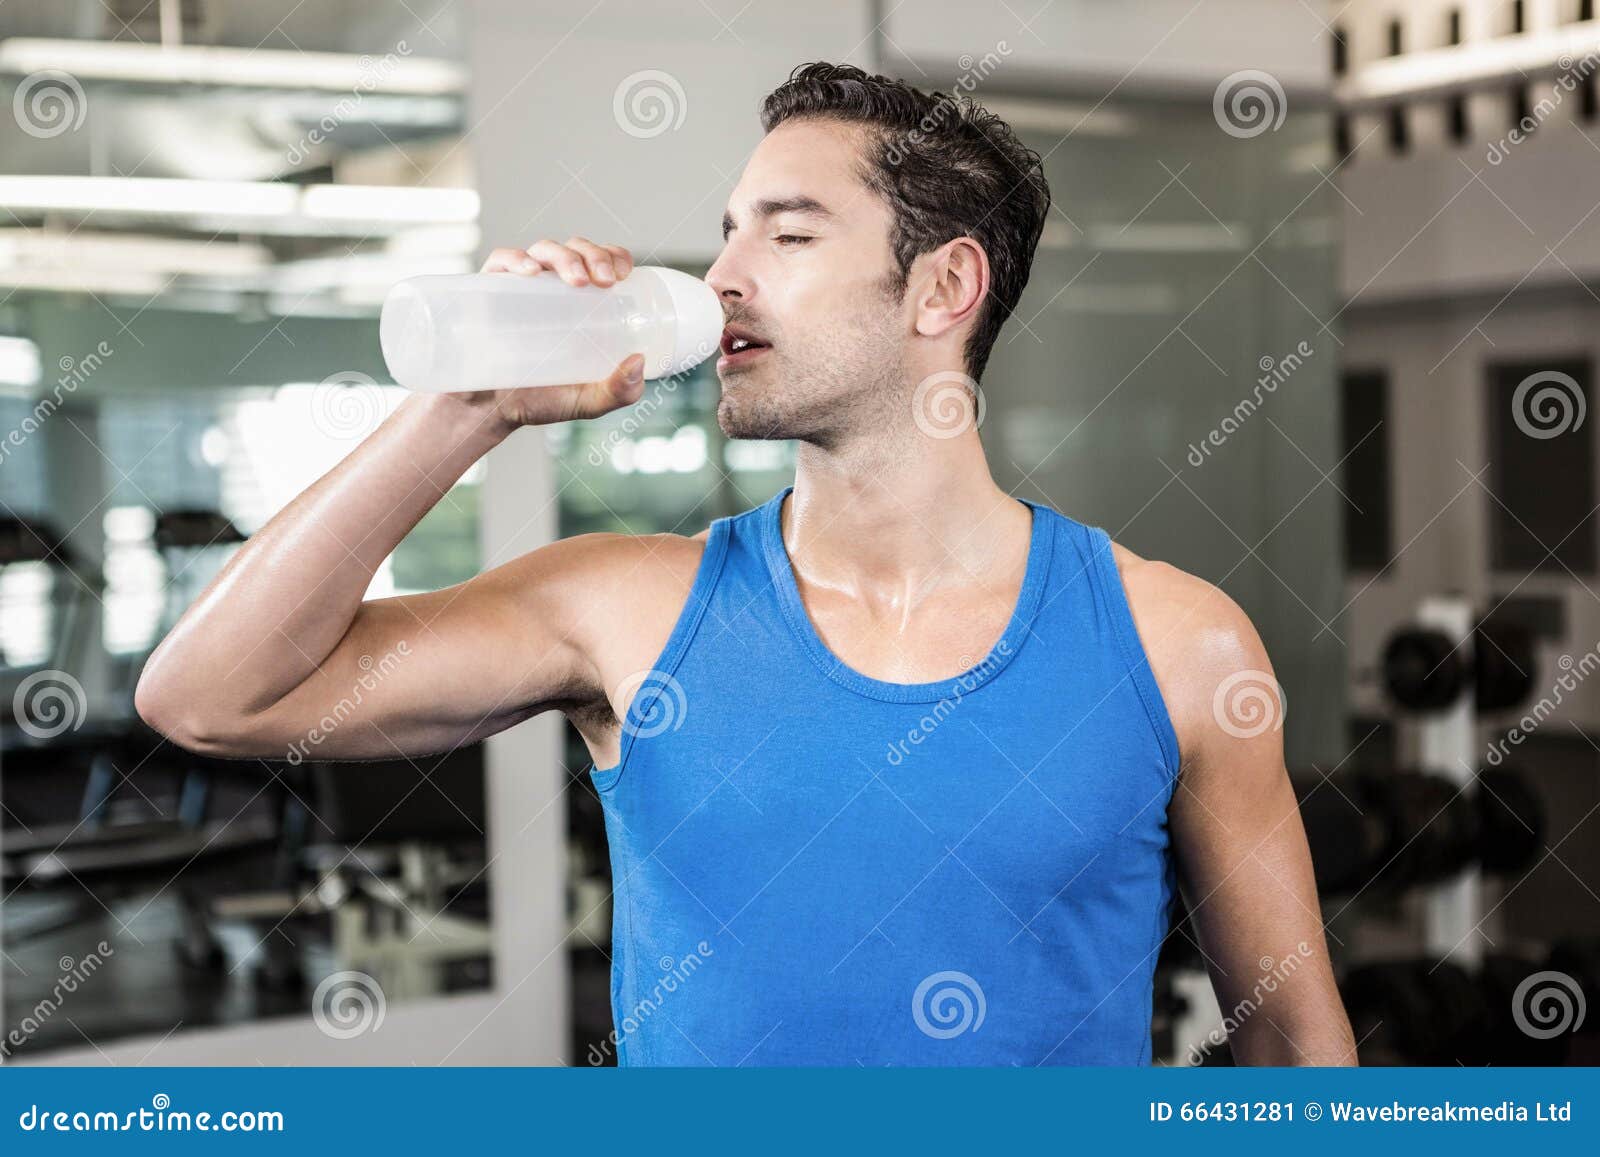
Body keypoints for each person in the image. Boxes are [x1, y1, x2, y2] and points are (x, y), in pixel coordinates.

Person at [137, 62, 1356, 1067]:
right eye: (728, 232)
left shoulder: (1176, 643)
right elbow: (208, 696)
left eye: (787, 232)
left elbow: (1296, 1043)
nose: (722, 277)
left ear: (945, 285)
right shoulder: (622, 608)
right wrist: (464, 412)